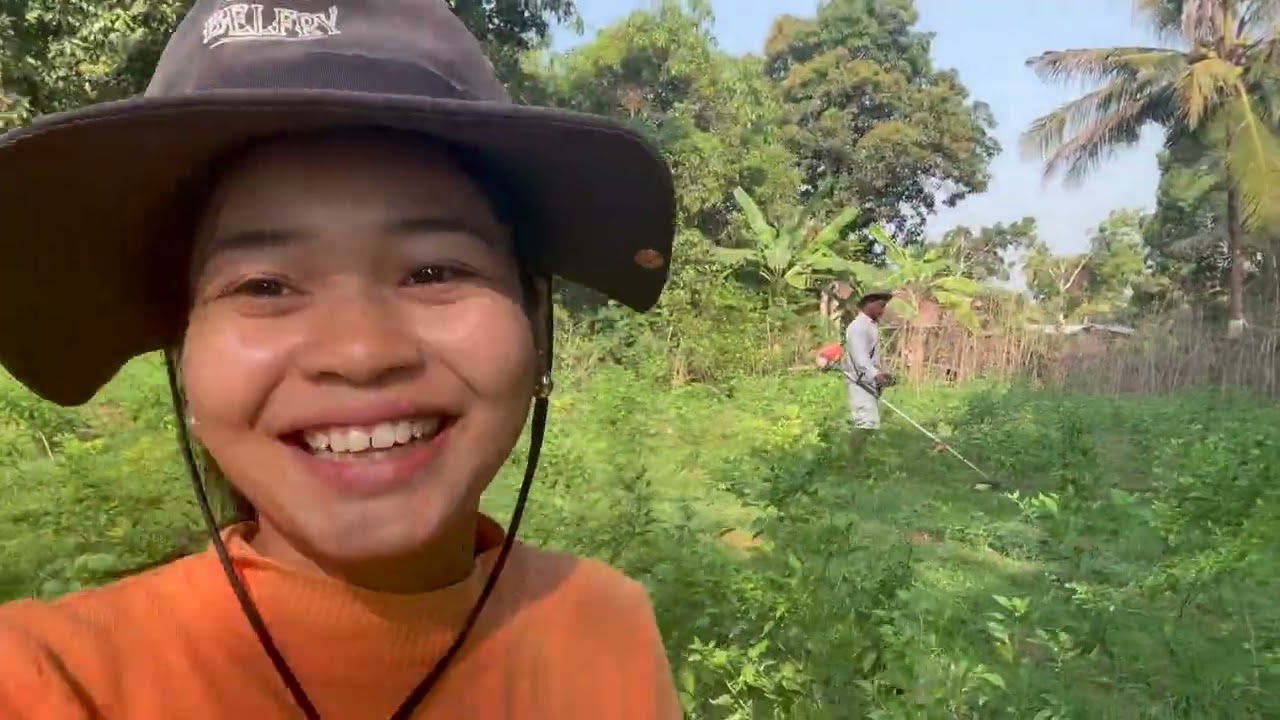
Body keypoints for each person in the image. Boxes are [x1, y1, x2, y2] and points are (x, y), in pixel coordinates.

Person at [0, 1, 682, 718]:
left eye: (433, 272)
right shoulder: (48, 681)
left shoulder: (604, 627)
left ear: (535, 321)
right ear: (184, 356)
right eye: (264, 285)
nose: (360, 353)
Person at [843, 290, 895, 450]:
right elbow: (861, 359)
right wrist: (875, 375)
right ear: (869, 304)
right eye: (880, 306)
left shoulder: (869, 326)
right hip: (859, 382)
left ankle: (862, 459)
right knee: (866, 423)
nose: (882, 311)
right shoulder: (858, 327)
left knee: (870, 422)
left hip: (867, 382)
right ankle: (853, 461)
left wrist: (880, 374)